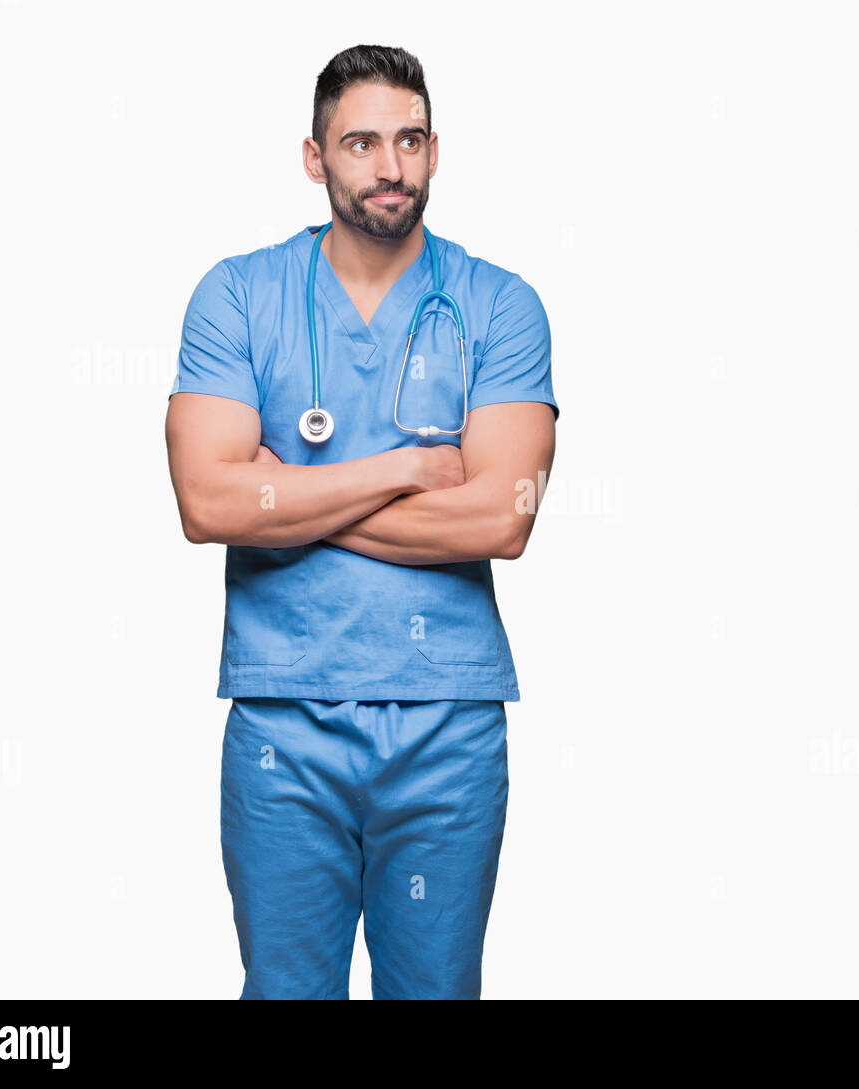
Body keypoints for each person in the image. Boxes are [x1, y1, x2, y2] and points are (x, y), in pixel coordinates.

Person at [164, 44, 557, 1000]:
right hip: (283, 724)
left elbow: (502, 519)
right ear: (314, 157)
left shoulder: (498, 305)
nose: (390, 166)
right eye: (362, 142)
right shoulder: (240, 295)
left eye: (410, 140)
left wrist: (291, 495)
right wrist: (404, 471)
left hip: (447, 724)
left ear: (435, 151)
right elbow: (206, 503)